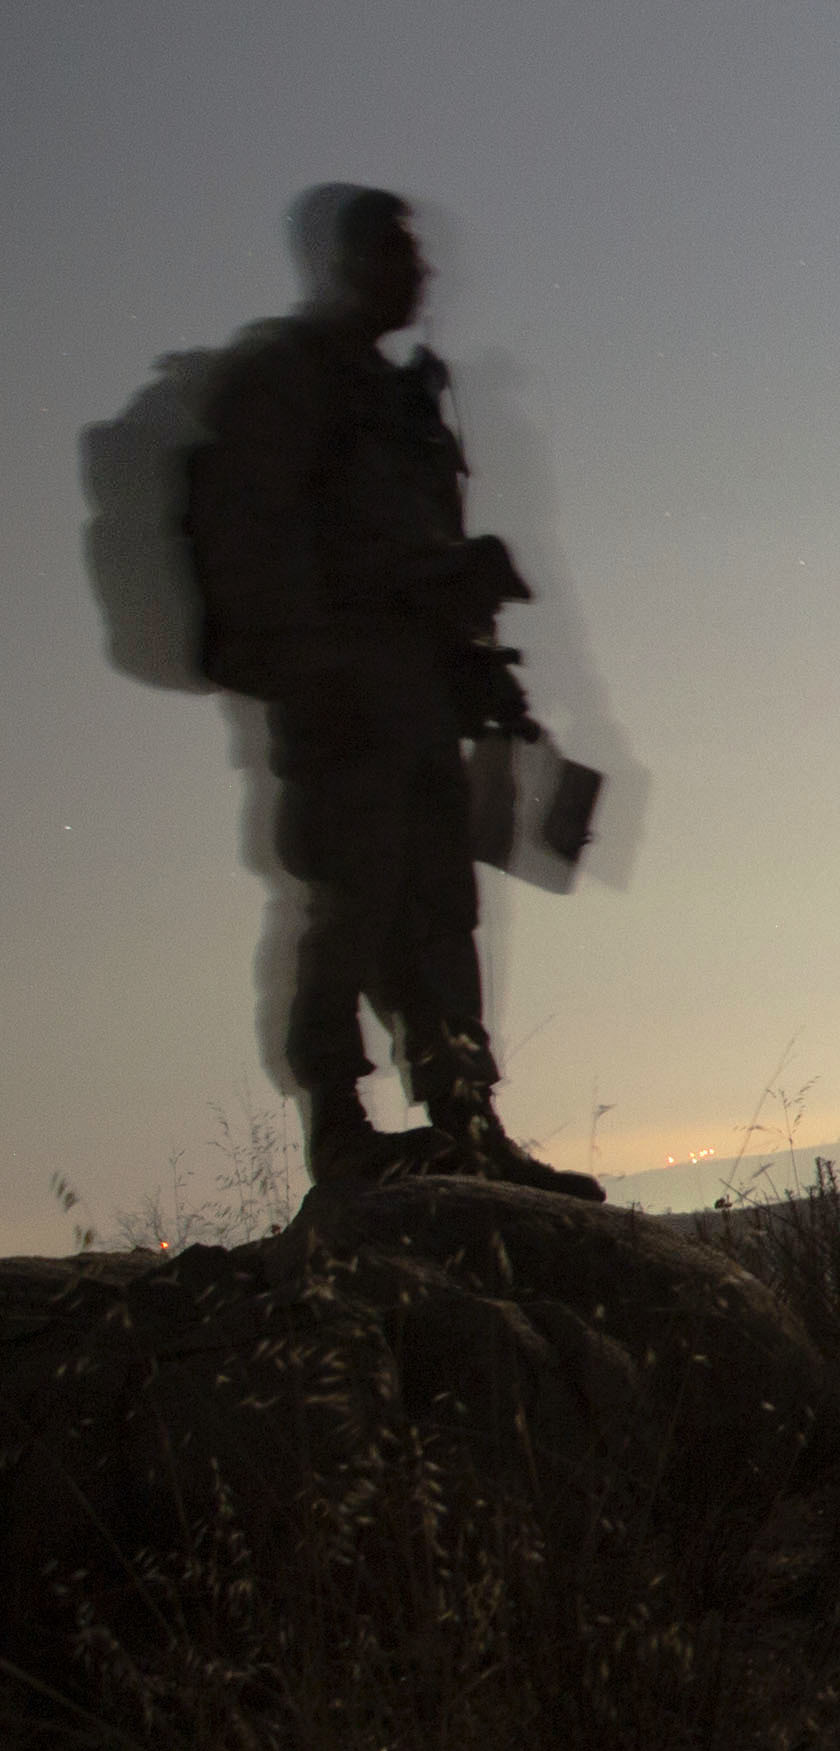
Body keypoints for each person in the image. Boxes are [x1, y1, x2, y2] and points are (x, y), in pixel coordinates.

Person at [185, 187, 597, 1198]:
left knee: (440, 911)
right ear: (352, 260)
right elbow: (253, 553)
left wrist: (476, 663)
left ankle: (466, 1118)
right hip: (341, 700)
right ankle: (338, 1128)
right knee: (352, 907)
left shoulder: (399, 402)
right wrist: (315, 665)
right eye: (400, 254)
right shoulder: (286, 384)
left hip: (418, 697)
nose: (423, 273)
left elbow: (414, 552)